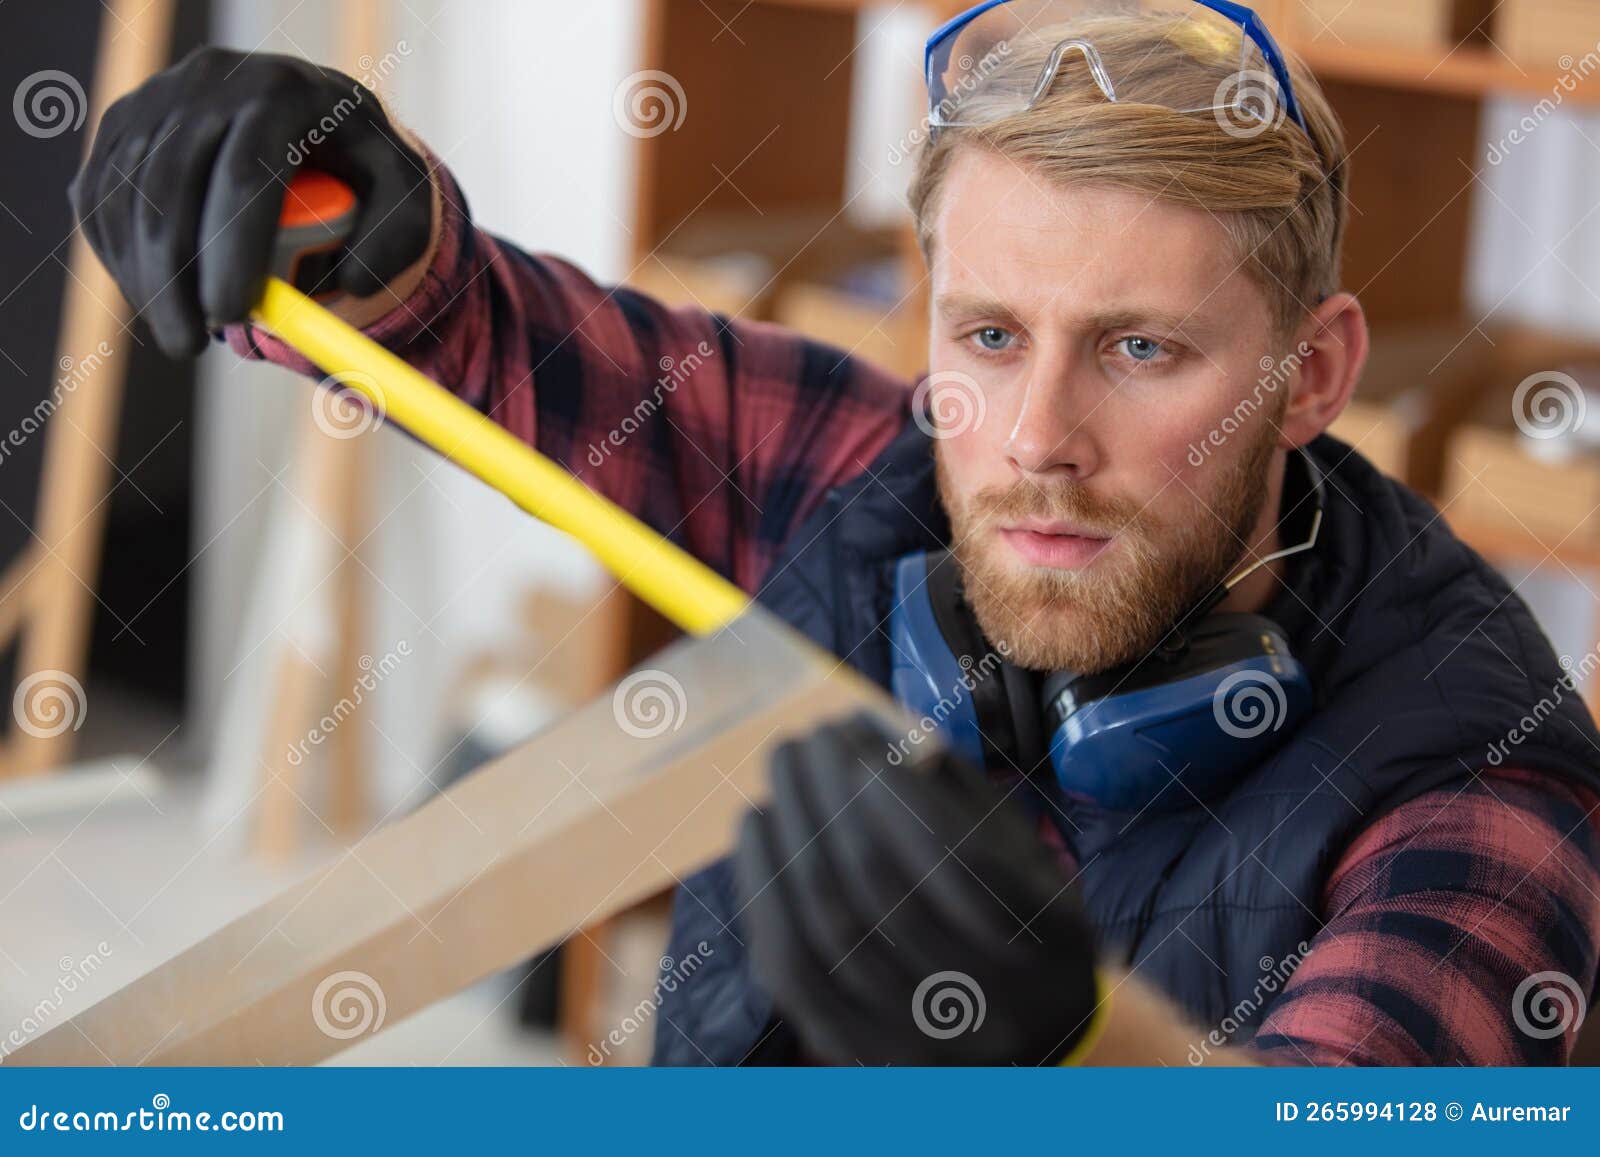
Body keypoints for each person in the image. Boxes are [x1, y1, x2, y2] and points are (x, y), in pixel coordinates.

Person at [70, 2, 1600, 1067]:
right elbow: (491, 334)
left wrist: (1089, 1052)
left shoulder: (1480, 772)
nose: (1036, 441)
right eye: (990, 334)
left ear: (1313, 376)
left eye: (1141, 351)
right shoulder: (888, 482)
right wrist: (349, 229)